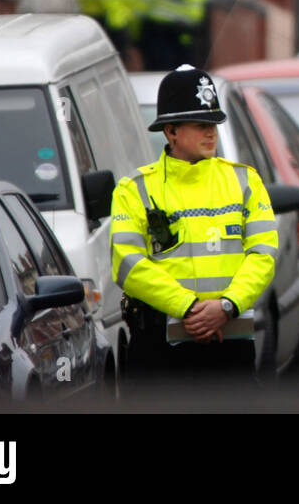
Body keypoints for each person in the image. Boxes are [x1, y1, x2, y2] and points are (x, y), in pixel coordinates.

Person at [109, 65, 277, 396]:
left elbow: (264, 254)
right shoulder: (134, 189)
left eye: (213, 124)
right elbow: (127, 264)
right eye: (201, 125)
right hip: (159, 352)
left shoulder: (245, 181)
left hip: (230, 344)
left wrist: (226, 306)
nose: (211, 133)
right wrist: (188, 308)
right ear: (171, 131)